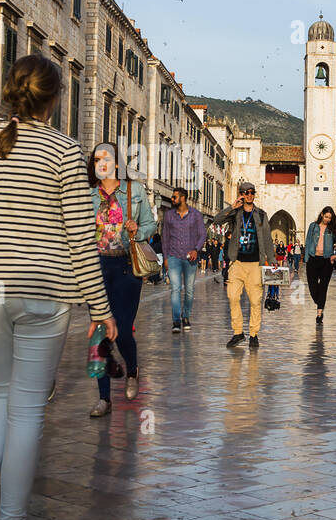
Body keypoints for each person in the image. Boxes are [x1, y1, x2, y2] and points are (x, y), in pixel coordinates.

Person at [0, 55, 116, 520]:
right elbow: (80, 240)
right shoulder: (64, 152)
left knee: (3, 396)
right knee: (27, 409)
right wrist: (101, 308)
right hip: (43, 294)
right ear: (55, 99)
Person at [88, 142, 157, 415]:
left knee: (124, 329)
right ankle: (104, 398)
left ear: (117, 163)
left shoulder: (134, 190)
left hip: (127, 267)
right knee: (100, 332)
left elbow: (151, 224)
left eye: (105, 158)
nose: (101, 164)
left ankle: (132, 369)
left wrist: (138, 229)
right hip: (97, 268)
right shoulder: (89, 194)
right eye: (96, 159)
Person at [213, 181, 276, 348]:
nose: (249, 195)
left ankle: (254, 334)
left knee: (255, 300)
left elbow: (267, 239)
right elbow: (217, 221)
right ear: (240, 194)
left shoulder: (261, 214)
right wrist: (231, 207)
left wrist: (272, 260)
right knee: (233, 296)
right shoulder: (235, 213)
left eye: (252, 192)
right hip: (237, 263)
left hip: (255, 264)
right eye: (246, 192)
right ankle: (238, 333)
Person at [162, 186, 206, 332]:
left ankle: (185, 316)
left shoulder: (196, 215)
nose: (172, 199)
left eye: (174, 197)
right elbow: (165, 237)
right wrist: (165, 257)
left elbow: (202, 234)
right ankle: (176, 321)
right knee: (175, 289)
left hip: (190, 258)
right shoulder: (168, 215)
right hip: (173, 256)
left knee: (189, 290)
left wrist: (196, 249)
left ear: (183, 198)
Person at [303, 207, 336, 325]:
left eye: (330, 218)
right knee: (313, 288)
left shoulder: (332, 229)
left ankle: (319, 314)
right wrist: (306, 259)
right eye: (326, 217)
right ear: (321, 214)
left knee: (323, 287)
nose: (327, 219)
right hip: (313, 259)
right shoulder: (313, 226)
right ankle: (320, 302)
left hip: (326, 261)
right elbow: (308, 241)